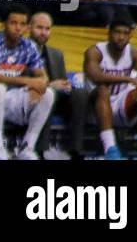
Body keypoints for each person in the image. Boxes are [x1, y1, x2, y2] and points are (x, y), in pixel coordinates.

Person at [0, 5, 56, 160]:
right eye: (13, 23)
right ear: (4, 23)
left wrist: (38, 86)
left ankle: (28, 147)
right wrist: (28, 81)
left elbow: (43, 78)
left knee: (48, 93)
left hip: (12, 94)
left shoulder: (29, 46)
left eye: (22, 24)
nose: (18, 28)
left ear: (27, 26)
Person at [85, 15, 137, 160]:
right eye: (117, 32)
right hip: (95, 107)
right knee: (103, 90)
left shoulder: (134, 53)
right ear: (109, 34)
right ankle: (110, 149)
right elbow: (95, 76)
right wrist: (129, 78)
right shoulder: (95, 51)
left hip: (120, 106)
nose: (121, 37)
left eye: (126, 33)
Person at [27, 12, 90, 159]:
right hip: (31, 98)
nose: (43, 32)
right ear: (29, 28)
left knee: (80, 94)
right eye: (39, 28)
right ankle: (39, 150)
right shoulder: (20, 52)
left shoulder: (56, 54)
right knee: (48, 94)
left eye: (47, 28)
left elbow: (61, 80)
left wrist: (67, 86)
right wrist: (50, 85)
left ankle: (75, 150)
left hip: (56, 99)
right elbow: (20, 82)